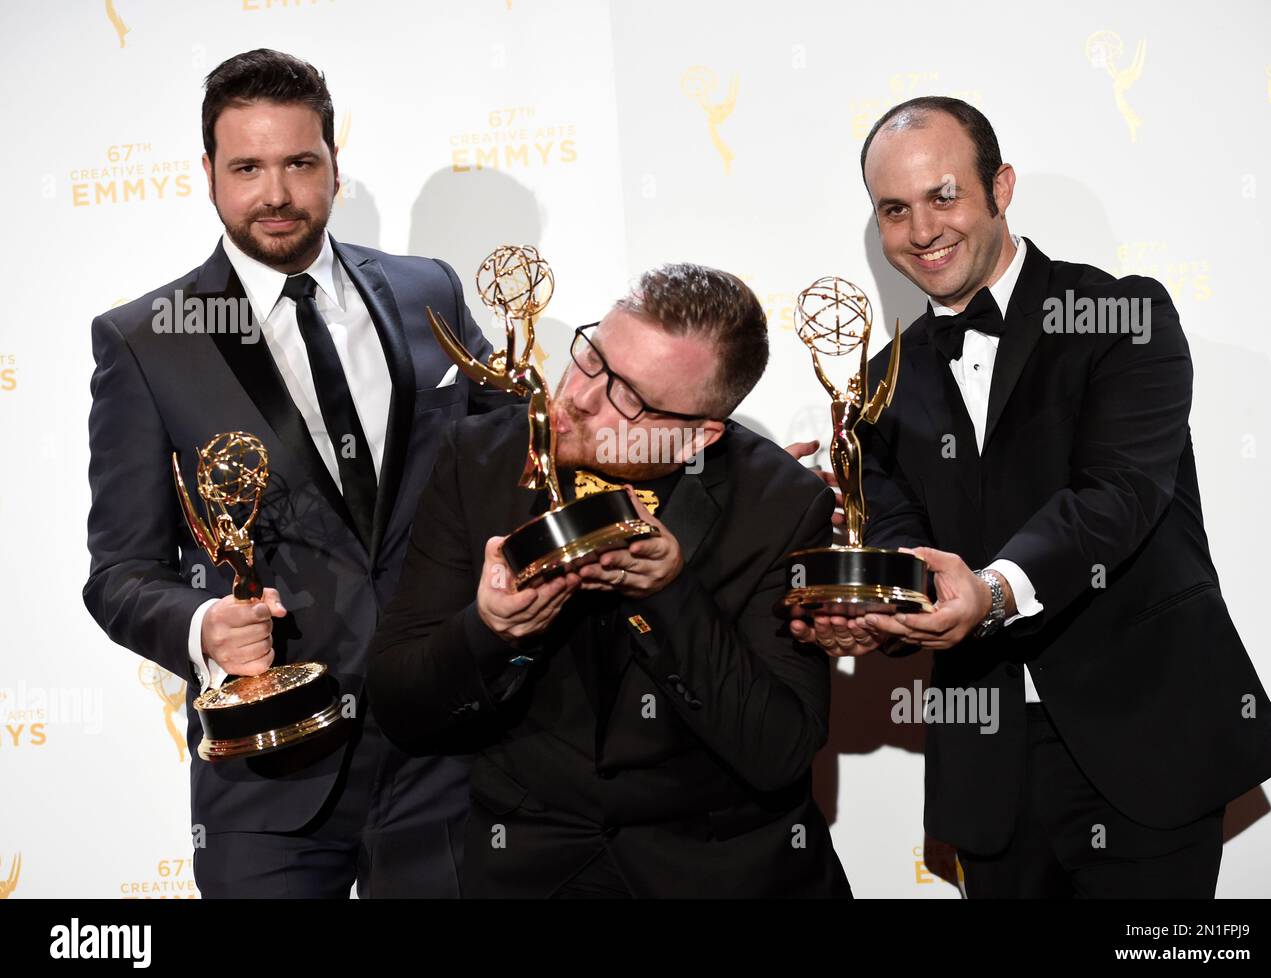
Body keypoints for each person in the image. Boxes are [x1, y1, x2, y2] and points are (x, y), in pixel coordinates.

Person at [791, 96, 1271, 898]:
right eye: (895, 209)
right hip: (986, 769)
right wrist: (875, 605)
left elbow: (1118, 496)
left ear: (1002, 187)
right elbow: (906, 551)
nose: (922, 231)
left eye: (944, 195)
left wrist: (993, 592)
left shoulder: (1120, 314)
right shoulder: (878, 385)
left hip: (1145, 747)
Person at [83, 49, 508, 897]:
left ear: (334, 166)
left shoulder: (432, 294)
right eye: (246, 167)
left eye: (298, 163)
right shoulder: (148, 339)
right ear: (208, 173)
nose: (274, 194)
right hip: (269, 773)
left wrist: (663, 447)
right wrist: (203, 624)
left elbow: (507, 458)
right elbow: (119, 572)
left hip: (441, 750)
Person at [367, 264, 851, 898]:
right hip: (534, 870)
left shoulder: (782, 503)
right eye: (591, 357)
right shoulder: (478, 459)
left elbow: (778, 749)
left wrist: (670, 592)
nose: (579, 396)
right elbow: (402, 706)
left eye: (628, 397)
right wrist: (489, 631)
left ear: (695, 435)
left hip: (720, 871)